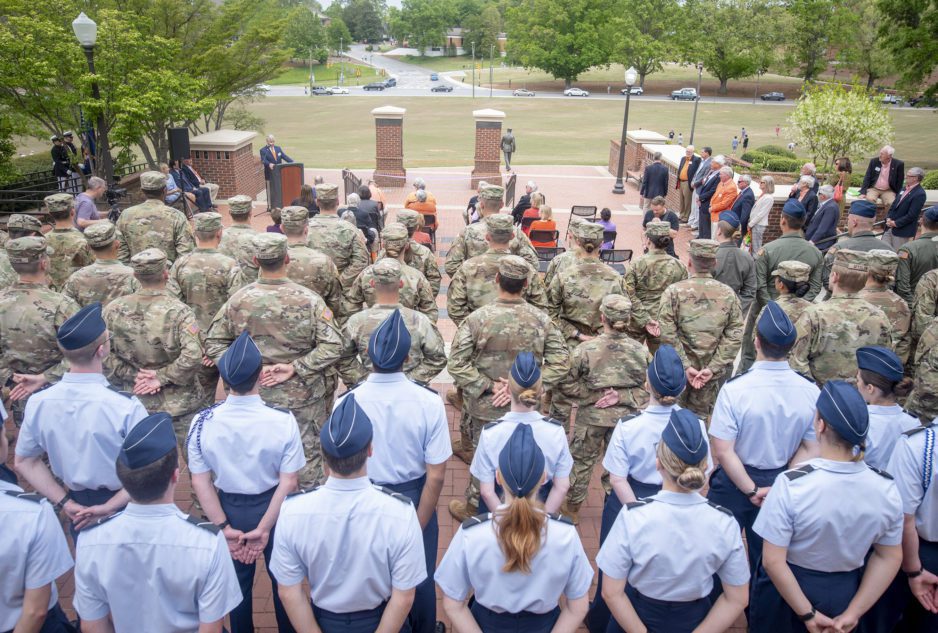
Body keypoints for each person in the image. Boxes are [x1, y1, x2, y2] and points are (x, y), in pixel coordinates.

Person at [749, 381, 903, 633]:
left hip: (789, 590)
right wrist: (854, 612)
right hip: (847, 589)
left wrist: (808, 614)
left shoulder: (792, 484)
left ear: (820, 425)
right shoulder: (886, 489)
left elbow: (773, 561)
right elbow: (889, 556)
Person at [334, 309, 451, 633]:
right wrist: (419, 522)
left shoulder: (347, 402)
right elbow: (437, 474)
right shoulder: (429, 402)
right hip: (414, 496)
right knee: (419, 575)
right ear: (407, 358)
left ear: (368, 356)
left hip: (364, 496)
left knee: (372, 570)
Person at [270, 395, 427, 633]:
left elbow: (288, 592)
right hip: (383, 621)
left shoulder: (293, 511)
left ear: (323, 455)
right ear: (370, 450)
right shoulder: (400, 513)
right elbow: (404, 597)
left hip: (322, 622)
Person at [73, 412, 243, 631]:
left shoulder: (90, 541)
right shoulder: (206, 542)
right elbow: (211, 627)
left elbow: (92, 626)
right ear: (175, 475)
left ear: (123, 480)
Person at [206, 233, 345, 489]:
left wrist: (248, 370)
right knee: (307, 460)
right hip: (302, 396)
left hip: (253, 394)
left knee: (257, 457)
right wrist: (296, 367)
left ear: (255, 260)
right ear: (287, 258)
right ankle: (305, 509)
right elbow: (334, 344)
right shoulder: (310, 300)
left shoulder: (238, 300)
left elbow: (213, 342)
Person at [187, 331, 303, 633]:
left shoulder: (201, 422)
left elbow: (200, 482)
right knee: (285, 585)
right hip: (274, 508)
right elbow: (289, 481)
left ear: (224, 379)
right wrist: (264, 528)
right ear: (259, 376)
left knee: (237, 591)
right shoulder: (282, 420)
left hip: (229, 507)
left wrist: (224, 527)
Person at [598, 408, 750, 633]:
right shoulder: (724, 522)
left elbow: (611, 592)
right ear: (705, 467)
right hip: (693, 619)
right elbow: (737, 598)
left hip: (636, 616)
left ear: (658, 463)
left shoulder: (633, 517)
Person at [436, 424, 593, 633]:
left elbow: (452, 604)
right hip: (544, 625)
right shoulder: (565, 535)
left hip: (487, 624)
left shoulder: (472, 534)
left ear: (498, 477)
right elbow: (578, 607)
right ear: (543, 478)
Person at [447, 256, 569, 520]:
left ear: (497, 280)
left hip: (486, 405)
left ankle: (475, 506)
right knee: (526, 455)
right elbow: (561, 362)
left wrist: (489, 386)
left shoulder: (477, 319)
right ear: (525, 284)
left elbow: (456, 363)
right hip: (527, 404)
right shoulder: (542, 320)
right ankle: (528, 505)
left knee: (483, 457)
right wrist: (528, 387)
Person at [14, 301, 147, 540]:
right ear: (101, 351)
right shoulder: (125, 406)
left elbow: (25, 461)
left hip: (77, 508)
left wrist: (65, 502)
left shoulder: (39, 402)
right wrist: (109, 507)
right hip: (126, 504)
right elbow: (148, 469)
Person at [708, 302, 820, 571]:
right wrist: (781, 483)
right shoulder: (810, 390)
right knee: (768, 563)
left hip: (734, 481)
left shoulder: (735, 389)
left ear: (756, 342)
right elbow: (811, 447)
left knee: (717, 554)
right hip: (780, 479)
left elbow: (723, 450)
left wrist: (751, 490)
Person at [560, 295, 651, 524]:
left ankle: (571, 509)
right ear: (628, 320)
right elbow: (651, 390)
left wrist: (594, 396)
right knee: (619, 466)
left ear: (602, 318)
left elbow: (566, 384)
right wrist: (623, 396)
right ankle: (613, 510)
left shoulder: (585, 349)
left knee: (581, 463)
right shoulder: (640, 352)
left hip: (591, 418)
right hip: (625, 421)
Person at [104, 248, 206, 443]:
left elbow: (103, 353)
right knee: (193, 454)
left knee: (143, 457)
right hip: (180, 403)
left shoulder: (113, 310)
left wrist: (134, 375)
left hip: (135, 400)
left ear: (135, 276)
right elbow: (193, 355)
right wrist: (161, 376)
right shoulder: (180, 311)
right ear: (166, 274)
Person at [469, 350, 573, 514]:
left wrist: (505, 520)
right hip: (540, 501)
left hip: (499, 503)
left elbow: (487, 492)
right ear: (540, 391)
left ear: (508, 389)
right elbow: (562, 487)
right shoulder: (556, 432)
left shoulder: (490, 433)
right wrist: (542, 519)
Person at [866, 411, 938, 631]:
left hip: (914, 551)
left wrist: (914, 571)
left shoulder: (919, 444)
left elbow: (903, 517)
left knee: (882, 619)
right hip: (918, 548)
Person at [658, 239, 744, 418]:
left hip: (677, 373)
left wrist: (684, 365)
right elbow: (735, 335)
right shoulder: (728, 294)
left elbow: (667, 333)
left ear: (689, 262)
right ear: (715, 263)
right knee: (700, 420)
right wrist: (713, 368)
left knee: (671, 416)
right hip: (708, 376)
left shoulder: (673, 292)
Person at [167, 212, 245, 405]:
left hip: (193, 343)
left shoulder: (180, 264)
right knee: (235, 400)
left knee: (201, 402)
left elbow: (173, 308)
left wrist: (197, 345)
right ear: (219, 233)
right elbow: (237, 310)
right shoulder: (230, 265)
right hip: (225, 345)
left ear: (196, 234)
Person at [0, 237, 79, 422]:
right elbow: (84, 353)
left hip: (20, 394)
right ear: (44, 263)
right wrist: (46, 376)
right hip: (61, 396)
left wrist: (10, 377)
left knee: (28, 437)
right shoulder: (62, 305)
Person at [740, 198, 823, 372]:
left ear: (783, 220)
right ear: (803, 222)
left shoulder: (768, 249)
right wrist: (800, 307)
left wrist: (773, 308)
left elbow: (759, 285)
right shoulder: (815, 253)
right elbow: (815, 286)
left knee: (751, 352)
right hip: (800, 315)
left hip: (765, 307)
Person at [791, 250, 892, 385]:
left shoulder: (814, 315)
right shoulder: (879, 316)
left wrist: (814, 390)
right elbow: (885, 360)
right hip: (861, 393)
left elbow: (797, 362)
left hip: (822, 393)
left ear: (834, 277)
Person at [338, 263, 446, 385]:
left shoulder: (356, 321)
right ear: (401, 284)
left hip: (370, 389)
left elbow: (342, 358)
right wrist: (409, 380)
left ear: (372, 283)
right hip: (409, 391)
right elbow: (437, 359)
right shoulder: (419, 320)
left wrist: (366, 379)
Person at [448, 215, 547, 326]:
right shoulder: (526, 268)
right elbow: (540, 306)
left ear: (487, 237)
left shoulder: (468, 267)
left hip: (479, 331)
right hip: (519, 332)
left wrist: (474, 329)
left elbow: (455, 307)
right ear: (512, 236)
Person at [346, 223, 438, 322]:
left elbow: (350, 306)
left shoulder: (366, 274)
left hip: (374, 328)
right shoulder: (417, 277)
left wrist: (362, 326)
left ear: (383, 245)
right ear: (407, 245)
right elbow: (430, 312)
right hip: (406, 329)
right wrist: (417, 328)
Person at [624, 221, 688, 351]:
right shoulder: (679, 266)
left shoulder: (636, 264)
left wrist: (645, 318)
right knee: (661, 360)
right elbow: (683, 298)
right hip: (663, 322)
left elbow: (628, 294)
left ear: (648, 240)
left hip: (636, 321)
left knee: (632, 358)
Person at [855, 346, 918, 470]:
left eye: (858, 380)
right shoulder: (912, 421)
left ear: (870, 388)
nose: (856, 384)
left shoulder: (860, 423)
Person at [116, 171, 194, 265]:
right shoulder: (176, 216)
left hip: (135, 272)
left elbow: (120, 253)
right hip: (167, 272)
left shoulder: (126, 215)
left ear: (142, 191)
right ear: (165, 190)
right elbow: (186, 254)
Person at [279, 206, 343, 318]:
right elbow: (334, 303)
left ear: (282, 228)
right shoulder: (324, 261)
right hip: (315, 321)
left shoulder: (272, 261)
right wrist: (326, 319)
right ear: (306, 230)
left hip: (280, 321)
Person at [307, 183, 370, 289]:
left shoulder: (305, 228)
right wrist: (340, 282)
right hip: (341, 291)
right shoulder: (350, 229)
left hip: (312, 288)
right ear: (337, 201)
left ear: (317, 202)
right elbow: (362, 260)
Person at [822, 199, 893, 292]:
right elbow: (892, 281)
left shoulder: (840, 248)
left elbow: (827, 281)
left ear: (854, 222)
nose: (847, 222)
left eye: (848, 220)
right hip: (877, 299)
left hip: (843, 299)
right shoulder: (888, 250)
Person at [62, 222, 138, 308]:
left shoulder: (76, 278)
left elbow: (66, 307)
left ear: (89, 247)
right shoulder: (134, 276)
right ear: (117, 244)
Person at [861, 249, 912, 362]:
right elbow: (904, 342)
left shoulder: (856, 299)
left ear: (867, 269)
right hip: (886, 364)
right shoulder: (900, 303)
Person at [42, 193, 95, 291]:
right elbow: (92, 271)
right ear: (73, 212)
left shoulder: (41, 241)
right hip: (74, 293)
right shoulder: (83, 241)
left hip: (49, 293)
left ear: (50, 214)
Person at [751, 261, 813, 339]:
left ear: (781, 285)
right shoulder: (813, 309)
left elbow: (758, 338)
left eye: (776, 278)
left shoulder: (770, 310)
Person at [713, 211, 757, 317]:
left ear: (719, 231)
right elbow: (750, 291)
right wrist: (737, 311)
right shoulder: (747, 257)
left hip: (710, 312)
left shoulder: (710, 256)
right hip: (734, 313)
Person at [390, 209, 442, 295]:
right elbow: (434, 279)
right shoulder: (425, 252)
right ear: (417, 227)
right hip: (417, 298)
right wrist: (427, 299)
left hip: (389, 299)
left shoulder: (386, 251)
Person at [897, 206, 938, 305]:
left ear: (921, 221)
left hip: (917, 304)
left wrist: (914, 308)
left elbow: (902, 286)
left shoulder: (906, 249)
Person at [217, 195, 259, 283]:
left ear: (229, 212)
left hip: (225, 285)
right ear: (250, 213)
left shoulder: (219, 237)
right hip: (250, 287)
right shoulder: (258, 238)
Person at [883, 166, 927, 249]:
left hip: (902, 232)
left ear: (916, 178)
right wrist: (888, 218)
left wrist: (895, 223)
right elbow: (894, 205)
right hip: (889, 228)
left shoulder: (920, 194)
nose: (905, 177)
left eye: (908, 175)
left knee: (898, 254)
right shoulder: (903, 188)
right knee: (882, 251)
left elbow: (912, 215)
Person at [260, 134, 293, 206]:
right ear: (267, 141)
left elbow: (284, 156)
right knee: (271, 190)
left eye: (273, 141)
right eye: (270, 142)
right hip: (270, 174)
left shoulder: (278, 148)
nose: (272, 143)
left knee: (279, 189)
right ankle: (271, 205)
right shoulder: (263, 150)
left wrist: (293, 162)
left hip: (279, 173)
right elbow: (263, 160)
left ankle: (280, 203)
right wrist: (269, 164)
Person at [696, 154, 724, 239]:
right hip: (703, 201)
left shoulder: (719, 176)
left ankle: (704, 240)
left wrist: (700, 197)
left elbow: (713, 191)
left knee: (706, 225)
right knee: (701, 222)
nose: (711, 164)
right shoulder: (712, 172)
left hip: (708, 202)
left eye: (713, 163)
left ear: (718, 165)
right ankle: (700, 238)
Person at [804, 184, 839, 252]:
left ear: (823, 196)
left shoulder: (830, 208)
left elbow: (823, 227)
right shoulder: (828, 205)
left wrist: (812, 241)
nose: (817, 195)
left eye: (819, 193)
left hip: (821, 244)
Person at [689, 146, 713, 228]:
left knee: (696, 207)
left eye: (702, 152)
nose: (701, 153)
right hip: (695, 186)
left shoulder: (709, 163)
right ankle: (691, 221)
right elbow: (697, 173)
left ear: (707, 153)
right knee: (693, 205)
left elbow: (705, 177)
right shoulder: (702, 161)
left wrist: (695, 183)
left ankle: (695, 224)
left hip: (700, 187)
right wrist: (692, 181)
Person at [749, 176, 775, 253]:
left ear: (768, 184)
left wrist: (750, 224)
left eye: (762, 182)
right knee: (752, 246)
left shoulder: (768, 198)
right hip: (755, 224)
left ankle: (757, 260)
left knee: (756, 247)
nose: (759, 183)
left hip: (758, 225)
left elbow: (761, 214)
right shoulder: (763, 195)